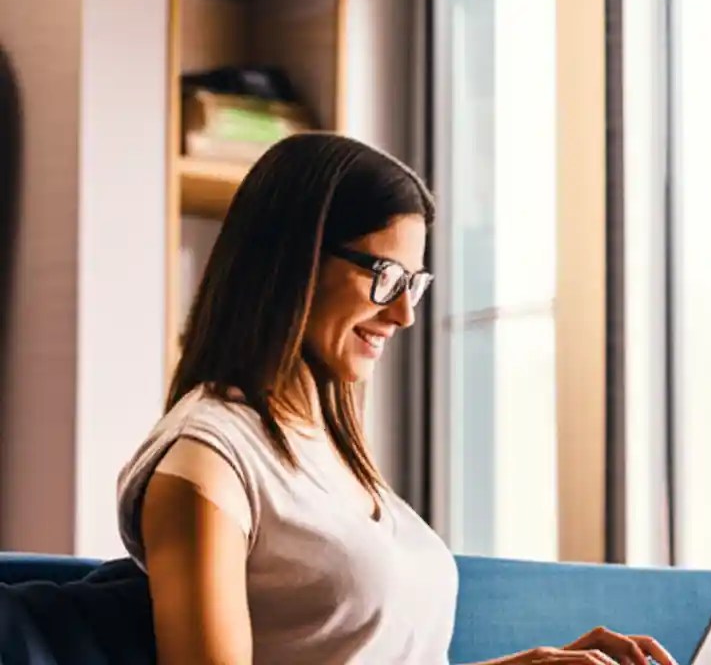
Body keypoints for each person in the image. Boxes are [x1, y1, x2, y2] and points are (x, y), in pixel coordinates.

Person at [116, 133, 675, 665]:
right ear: (296, 260)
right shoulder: (207, 464)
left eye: (414, 284)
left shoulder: (325, 447)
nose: (404, 314)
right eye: (385, 276)